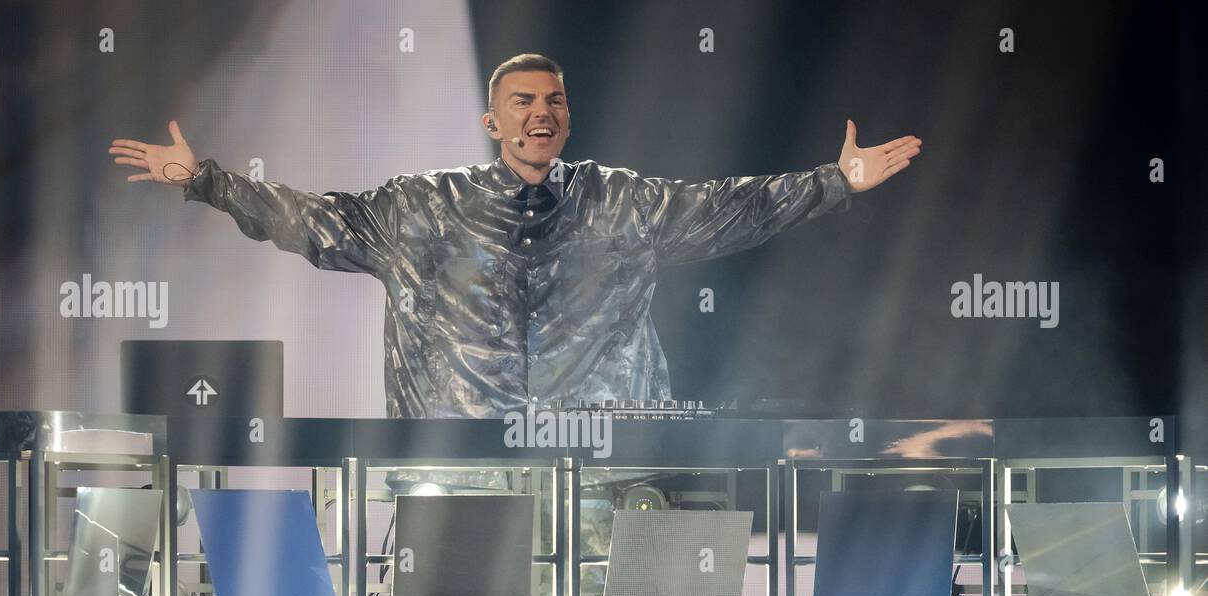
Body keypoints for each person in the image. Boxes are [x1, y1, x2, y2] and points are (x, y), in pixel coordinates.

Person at [109, 53, 921, 419]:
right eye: (524, 102)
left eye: (555, 102)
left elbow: (731, 208)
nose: (542, 113)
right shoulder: (423, 207)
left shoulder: (619, 201)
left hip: (595, 469)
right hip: (457, 472)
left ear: (568, 117)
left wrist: (834, 181)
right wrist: (206, 180)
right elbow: (311, 222)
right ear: (492, 120)